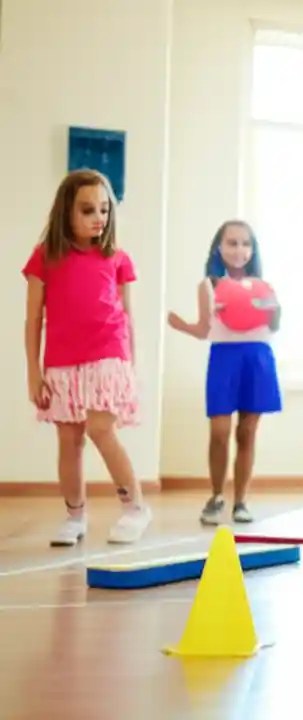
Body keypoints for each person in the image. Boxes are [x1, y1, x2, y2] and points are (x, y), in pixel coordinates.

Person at [23, 169, 152, 546]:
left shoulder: (117, 258)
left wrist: (131, 366)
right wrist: (34, 372)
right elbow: (33, 320)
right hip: (62, 363)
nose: (99, 218)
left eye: (104, 210)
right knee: (69, 440)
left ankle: (135, 507)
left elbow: (128, 318)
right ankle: (74, 516)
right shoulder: (44, 257)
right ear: (66, 212)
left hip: (107, 357)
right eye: (87, 210)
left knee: (100, 429)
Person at [168, 219, 282, 526]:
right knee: (219, 432)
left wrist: (276, 311)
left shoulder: (263, 286)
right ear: (219, 247)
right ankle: (217, 495)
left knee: (247, 433)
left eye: (246, 244)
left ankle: (241, 501)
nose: (239, 250)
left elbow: (272, 326)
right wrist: (181, 325)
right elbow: (205, 330)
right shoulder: (208, 285)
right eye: (232, 243)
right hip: (223, 358)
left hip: (257, 357)